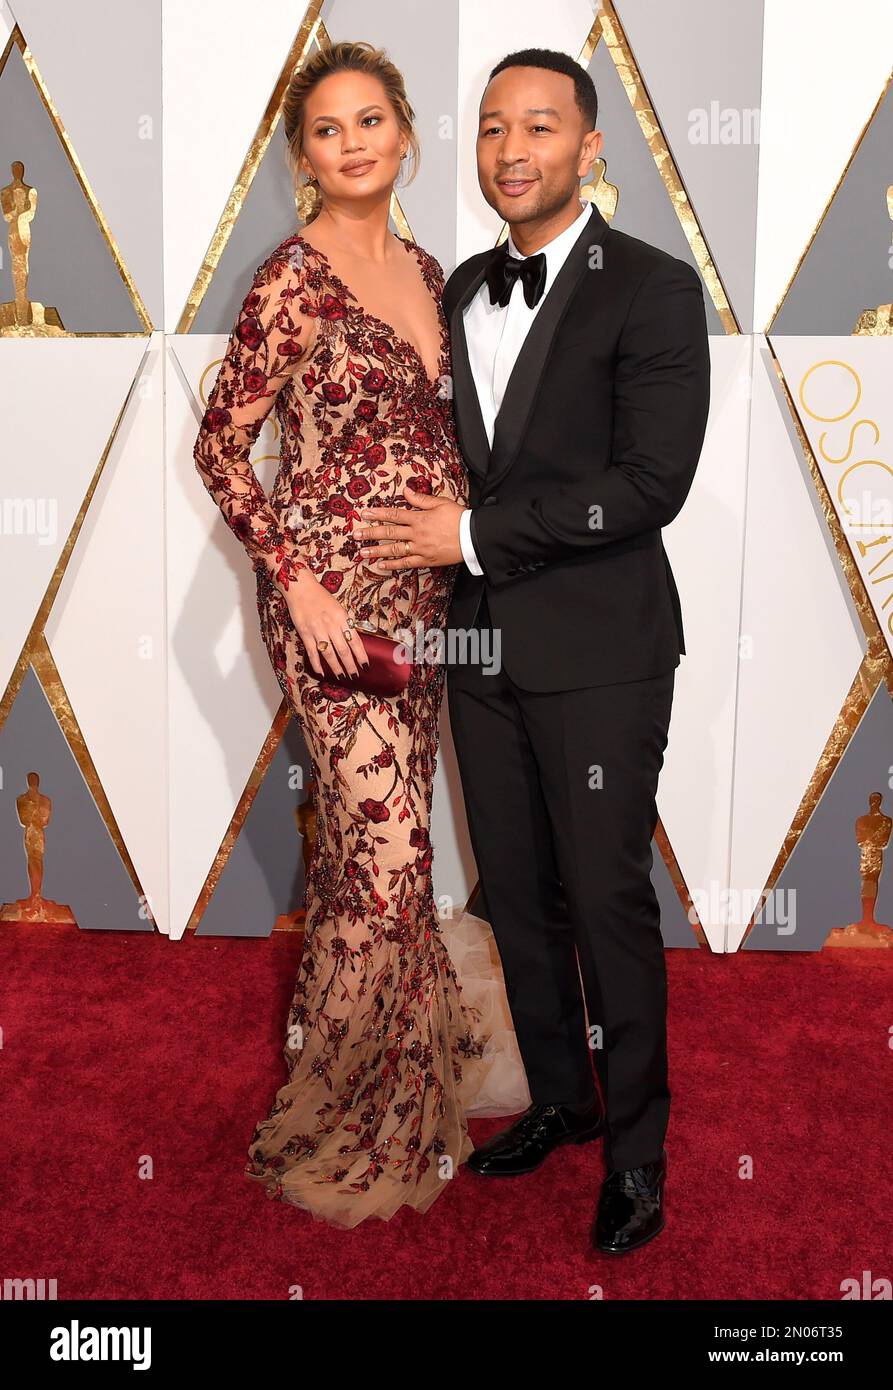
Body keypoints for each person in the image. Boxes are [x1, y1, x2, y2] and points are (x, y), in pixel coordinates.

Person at [356, 48, 711, 1252]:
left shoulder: (651, 289)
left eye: (541, 127)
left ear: (588, 146)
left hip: (603, 648)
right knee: (514, 892)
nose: (512, 150)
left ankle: (639, 1153)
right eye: (495, 128)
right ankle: (560, 1096)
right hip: (476, 643)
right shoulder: (459, 285)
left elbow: (649, 484)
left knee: (603, 896)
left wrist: (466, 530)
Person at [192, 40, 525, 1229]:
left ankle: (371, 1068)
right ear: (302, 158)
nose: (353, 143)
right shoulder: (290, 279)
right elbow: (220, 446)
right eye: (327, 130)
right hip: (329, 603)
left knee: (379, 855)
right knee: (385, 853)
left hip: (421, 598)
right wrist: (299, 587)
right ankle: (359, 1113)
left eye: (370, 120)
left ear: (404, 134)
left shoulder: (435, 274)